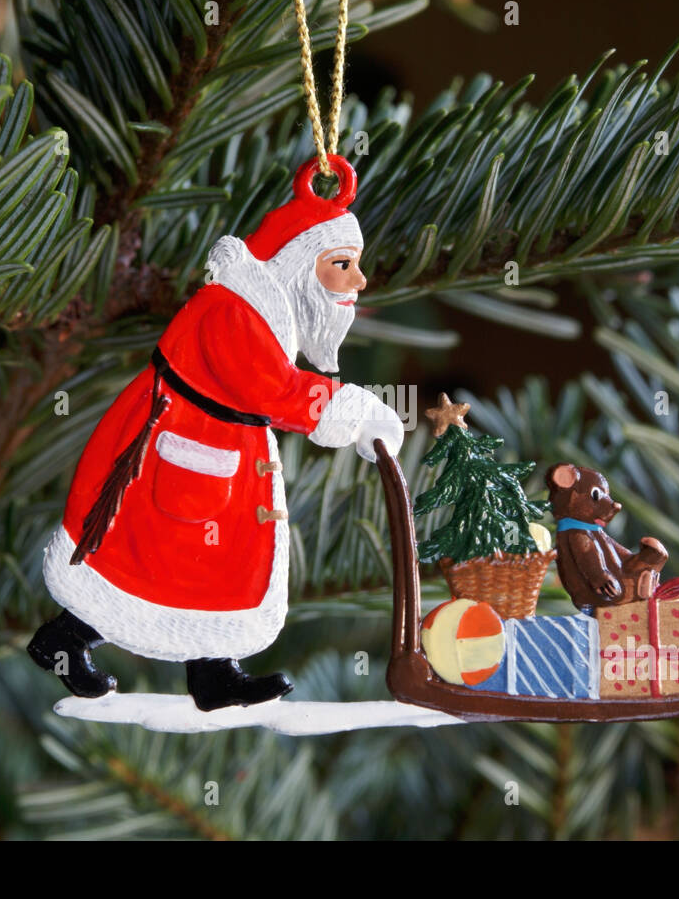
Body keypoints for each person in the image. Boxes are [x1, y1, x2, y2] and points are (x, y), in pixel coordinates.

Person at [29, 157, 404, 710]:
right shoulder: (231, 311)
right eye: (342, 265)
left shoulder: (265, 311)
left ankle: (213, 675)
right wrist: (351, 411)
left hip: (212, 454)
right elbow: (271, 390)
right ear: (298, 264)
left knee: (214, 573)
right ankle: (63, 640)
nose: (358, 281)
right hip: (171, 453)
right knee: (149, 559)